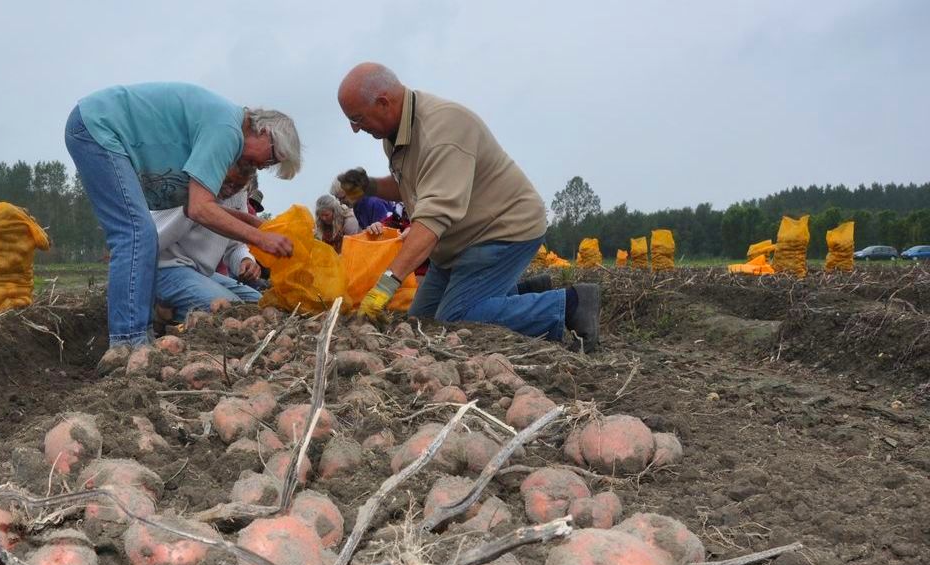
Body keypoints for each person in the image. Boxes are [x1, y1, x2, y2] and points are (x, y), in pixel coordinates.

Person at [335, 63, 600, 351]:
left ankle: (571, 304)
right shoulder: (396, 135)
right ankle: (522, 295)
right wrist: (370, 187)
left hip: (501, 230)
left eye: (358, 119)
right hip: (459, 243)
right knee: (424, 321)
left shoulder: (442, 132)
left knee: (457, 319)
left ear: (384, 103)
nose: (355, 129)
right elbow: (414, 186)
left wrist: (384, 288)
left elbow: (431, 223)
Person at [64, 82, 300, 360]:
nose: (264, 166)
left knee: (141, 234)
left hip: (97, 126)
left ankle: (140, 335)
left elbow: (192, 206)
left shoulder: (224, 125)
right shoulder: (227, 130)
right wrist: (260, 239)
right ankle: (128, 343)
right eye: (271, 158)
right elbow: (201, 209)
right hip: (98, 127)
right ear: (264, 131)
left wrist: (260, 227)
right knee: (137, 233)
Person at [154, 166, 264, 318]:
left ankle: (173, 307)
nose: (230, 190)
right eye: (227, 182)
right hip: (167, 267)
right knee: (230, 311)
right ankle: (161, 312)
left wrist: (245, 260)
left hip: (201, 273)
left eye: (238, 186)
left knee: (259, 303)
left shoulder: (238, 195)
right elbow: (151, 236)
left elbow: (235, 244)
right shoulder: (188, 181)